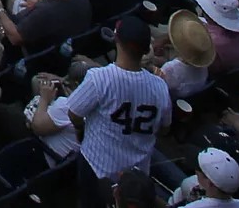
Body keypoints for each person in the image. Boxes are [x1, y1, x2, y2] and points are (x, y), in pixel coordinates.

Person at [65, 16, 170, 202]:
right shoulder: (160, 86)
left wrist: (81, 129)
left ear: (116, 40)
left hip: (97, 168)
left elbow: (73, 112)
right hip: (136, 175)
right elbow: (164, 128)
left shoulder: (99, 78)